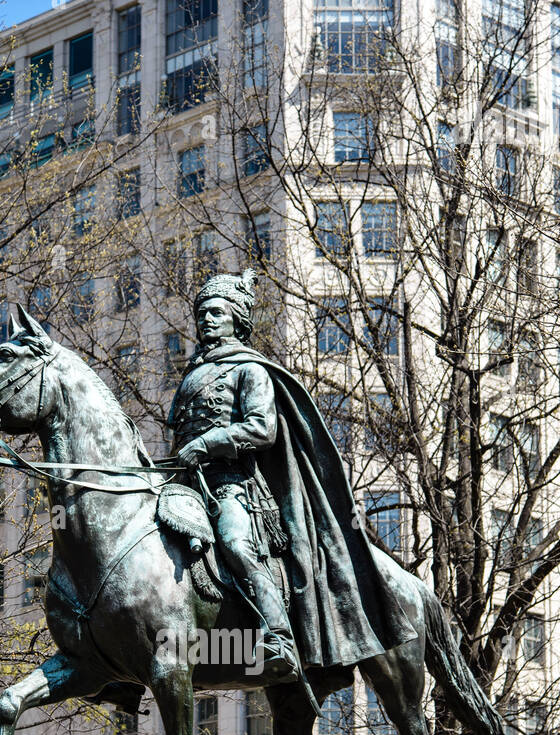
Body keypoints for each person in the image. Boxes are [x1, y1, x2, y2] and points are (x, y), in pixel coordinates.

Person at [168, 268, 417, 686]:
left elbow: (261, 429)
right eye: (201, 314)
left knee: (234, 542)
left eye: (215, 312)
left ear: (237, 320)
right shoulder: (192, 376)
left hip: (236, 487)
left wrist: (209, 444)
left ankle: (278, 637)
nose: (205, 320)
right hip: (186, 485)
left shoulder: (250, 370)